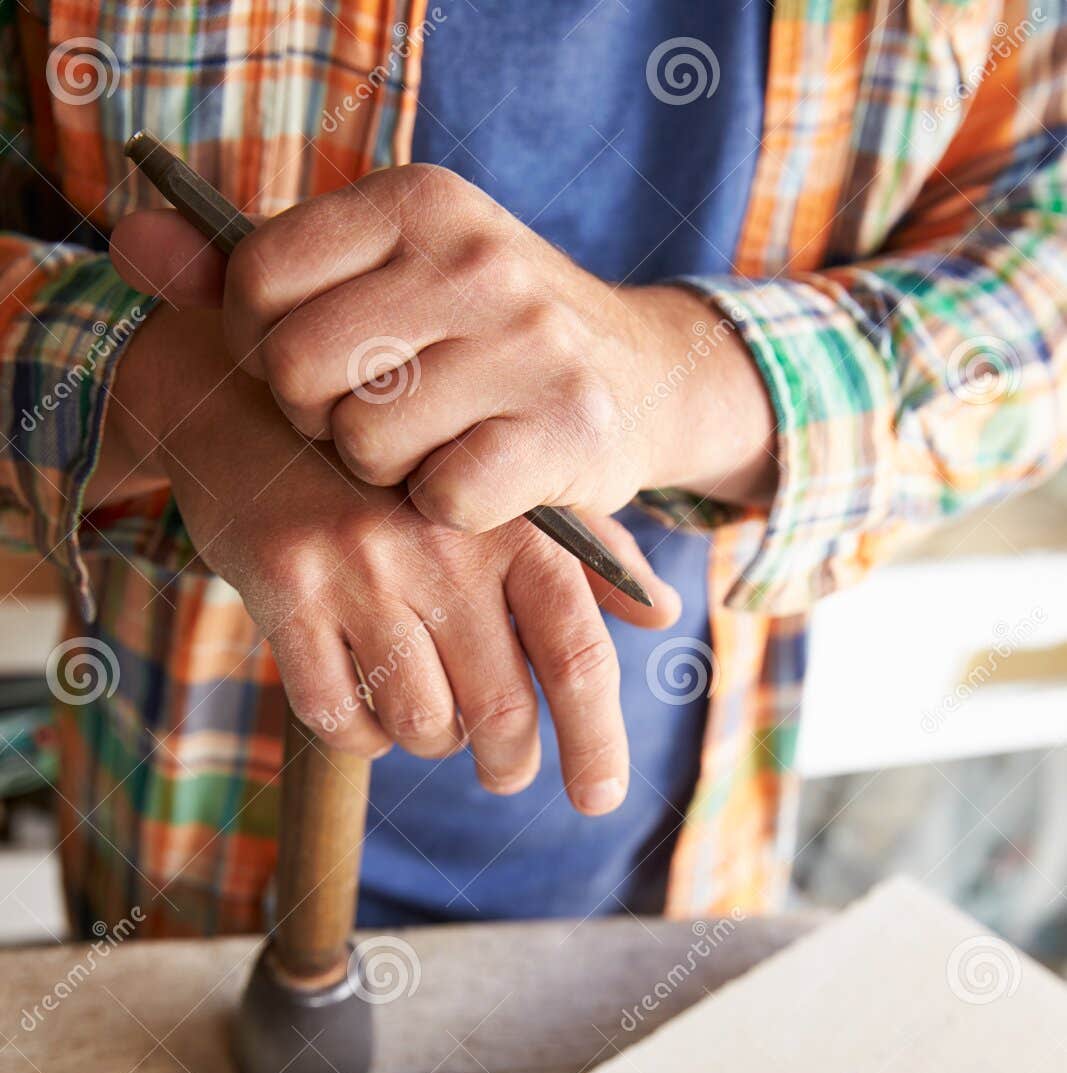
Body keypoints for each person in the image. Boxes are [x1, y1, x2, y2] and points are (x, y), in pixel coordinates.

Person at [1, 2, 1063, 938]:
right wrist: (151, 384)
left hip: (683, 892)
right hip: (177, 897)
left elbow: (1039, 263)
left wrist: (681, 375)